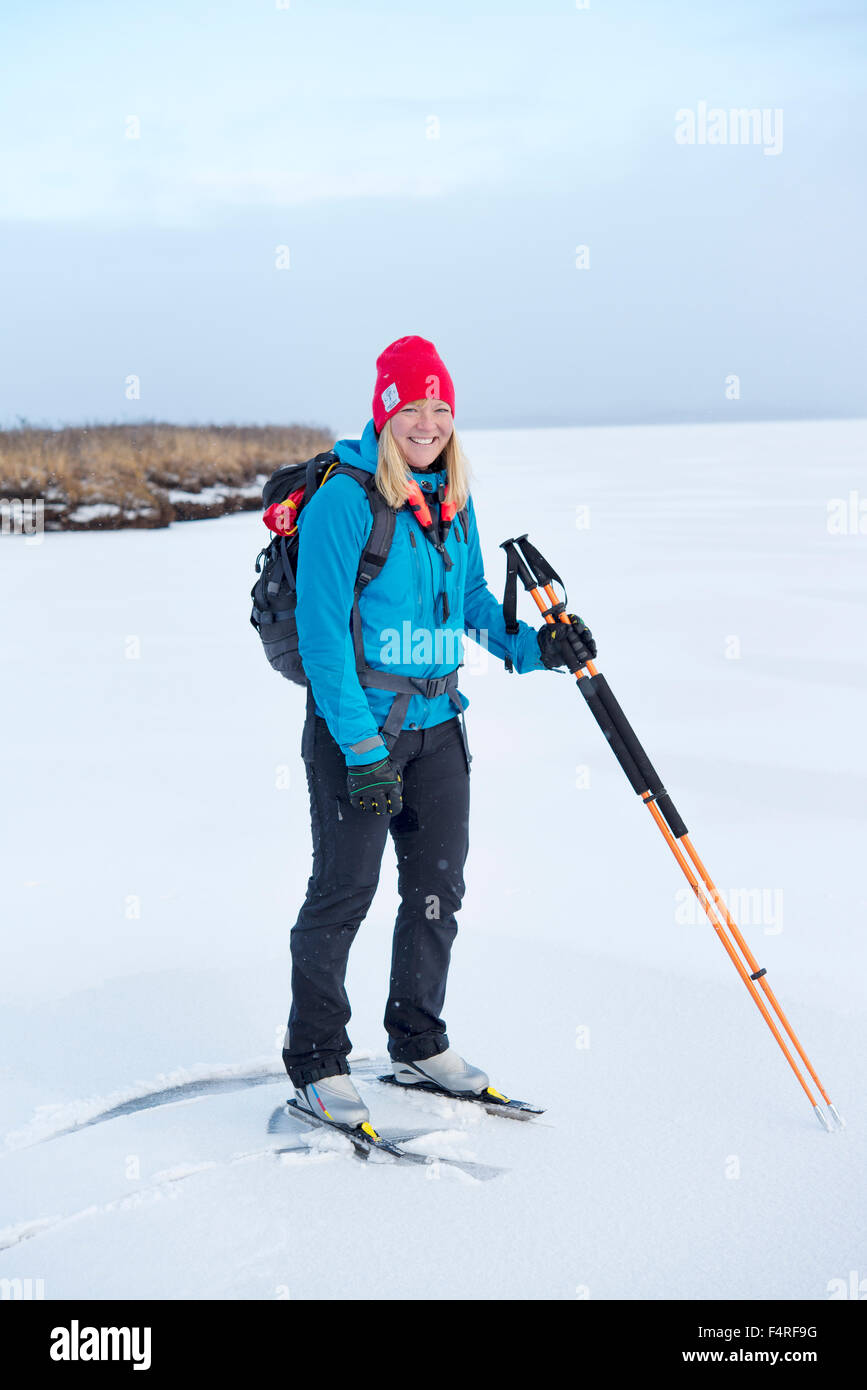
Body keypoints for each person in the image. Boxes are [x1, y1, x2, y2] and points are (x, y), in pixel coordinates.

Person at [281, 335, 595, 1127]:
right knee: (342, 894)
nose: (428, 422)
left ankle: (417, 1043)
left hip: (436, 731)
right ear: (386, 410)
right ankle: (317, 1061)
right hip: (358, 732)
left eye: (441, 408)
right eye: (413, 407)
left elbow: (476, 604)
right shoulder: (343, 501)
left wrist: (534, 649)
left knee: (435, 893)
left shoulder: (453, 497)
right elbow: (322, 641)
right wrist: (360, 751)